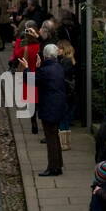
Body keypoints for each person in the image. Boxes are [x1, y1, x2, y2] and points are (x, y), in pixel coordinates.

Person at [34, 44, 66, 177]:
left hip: (49, 107)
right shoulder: (58, 67)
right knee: (55, 136)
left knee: (51, 138)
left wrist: (26, 69)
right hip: (59, 106)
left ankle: (52, 167)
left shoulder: (45, 70)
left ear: (45, 55)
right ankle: (58, 165)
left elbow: (32, 81)